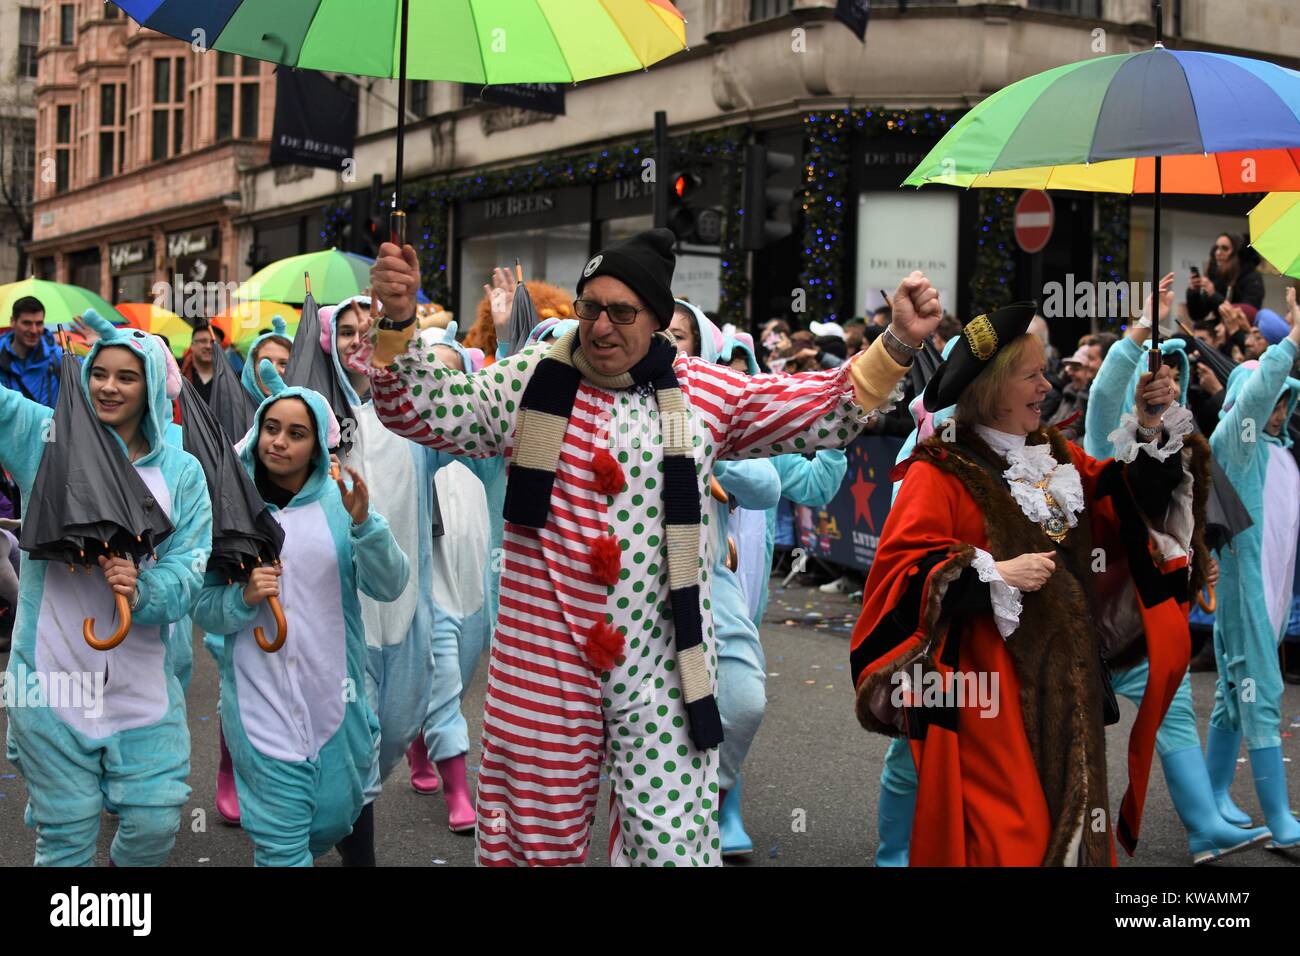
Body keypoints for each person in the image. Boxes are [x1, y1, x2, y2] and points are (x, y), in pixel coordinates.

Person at [354, 228, 941, 866]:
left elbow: (812, 406)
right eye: (590, 307)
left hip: (661, 664)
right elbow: (422, 407)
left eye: (621, 311)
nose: (600, 326)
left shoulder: (702, 391)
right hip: (543, 663)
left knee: (671, 848)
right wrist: (399, 319)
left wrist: (897, 341)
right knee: (531, 847)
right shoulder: (530, 378)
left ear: (657, 320)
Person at [852, 303, 1209, 866]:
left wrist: (1148, 425)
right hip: (987, 696)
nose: (1048, 386)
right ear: (993, 389)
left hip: (1069, 688)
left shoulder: (1055, 456)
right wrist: (991, 572)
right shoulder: (939, 469)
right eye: (1033, 376)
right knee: (1007, 840)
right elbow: (901, 573)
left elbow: (1125, 503)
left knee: (1070, 833)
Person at [1, 310, 212, 866]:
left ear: (151, 386)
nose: (108, 387)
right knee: (66, 834)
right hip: (50, 681)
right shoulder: (46, 438)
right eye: (99, 373)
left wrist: (143, 588)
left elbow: (190, 569)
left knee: (155, 820)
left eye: (126, 376)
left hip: (142, 687)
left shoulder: (183, 472)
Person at [1085, 277, 1272, 863]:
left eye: (1175, 378)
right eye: (1157, 377)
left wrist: (1198, 564)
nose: (1166, 385)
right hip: (1098, 614)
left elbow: (1183, 521)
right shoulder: (1106, 435)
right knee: (1055, 732)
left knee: (1175, 707)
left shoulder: (1180, 447)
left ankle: (1203, 826)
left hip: (1148, 611)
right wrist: (1142, 328)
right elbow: (1104, 392)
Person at [193, 362, 409, 867]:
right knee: (281, 845)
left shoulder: (341, 501)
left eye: (296, 434)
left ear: (317, 446)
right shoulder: (228, 508)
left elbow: (390, 584)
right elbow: (202, 607)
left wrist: (365, 524)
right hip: (259, 705)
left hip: (335, 703)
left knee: (337, 816)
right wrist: (242, 599)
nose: (279, 442)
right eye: (271, 428)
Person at [1204, 292, 1300, 850]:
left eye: (1286, 399)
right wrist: (1294, 339)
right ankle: (1280, 818)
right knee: (1261, 691)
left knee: (1232, 695)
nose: (1278, 408)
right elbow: (1256, 396)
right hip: (1246, 596)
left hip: (1271, 598)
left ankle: (1214, 795)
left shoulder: (1279, 451)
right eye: (1272, 398)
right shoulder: (1237, 445)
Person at [1186, 233, 1265, 324]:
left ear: (1237, 254)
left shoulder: (1252, 278)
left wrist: (1213, 295)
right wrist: (1194, 292)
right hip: (1219, 329)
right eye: (1216, 248)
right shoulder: (1217, 277)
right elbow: (1197, 315)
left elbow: (1247, 314)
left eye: (1225, 248)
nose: (1218, 253)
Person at [0, 296, 64, 408]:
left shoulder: (58, 357)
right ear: (13, 322)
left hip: (49, 420)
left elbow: (88, 374)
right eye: (27, 323)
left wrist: (97, 342)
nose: (34, 330)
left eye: (39, 323)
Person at [239, 317, 292, 401]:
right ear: (252, 366)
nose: (273, 370)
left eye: (283, 363)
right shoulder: (231, 405)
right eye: (265, 362)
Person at [181, 321, 218, 402]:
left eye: (213, 342)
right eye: (203, 341)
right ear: (192, 345)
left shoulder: (228, 378)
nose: (208, 346)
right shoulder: (178, 372)